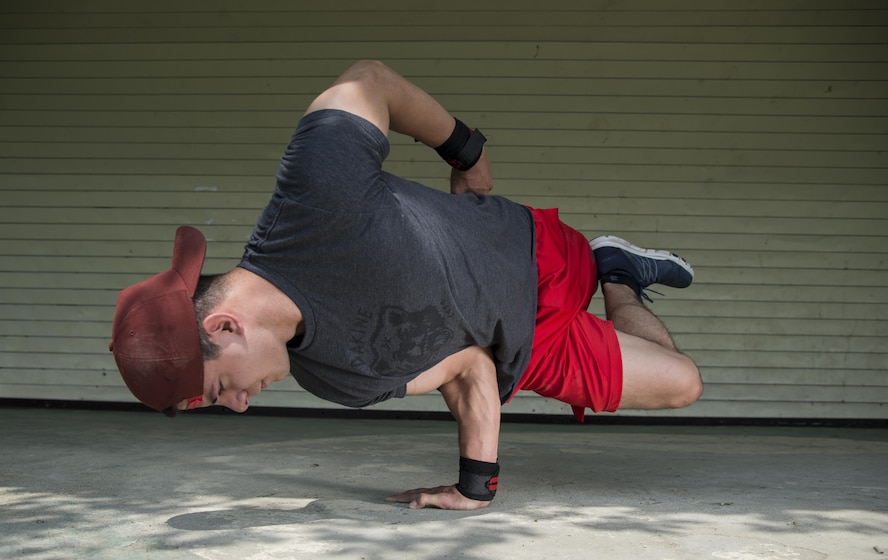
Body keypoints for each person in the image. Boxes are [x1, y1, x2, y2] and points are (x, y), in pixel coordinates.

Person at [110, 60, 703, 511]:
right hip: (530, 349)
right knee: (682, 381)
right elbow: (467, 366)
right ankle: (618, 274)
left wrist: (466, 152)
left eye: (221, 390)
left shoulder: (312, 201)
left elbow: (370, 81)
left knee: (665, 365)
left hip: (533, 246)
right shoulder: (331, 378)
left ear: (223, 326)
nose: (240, 404)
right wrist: (477, 488)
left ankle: (599, 263)